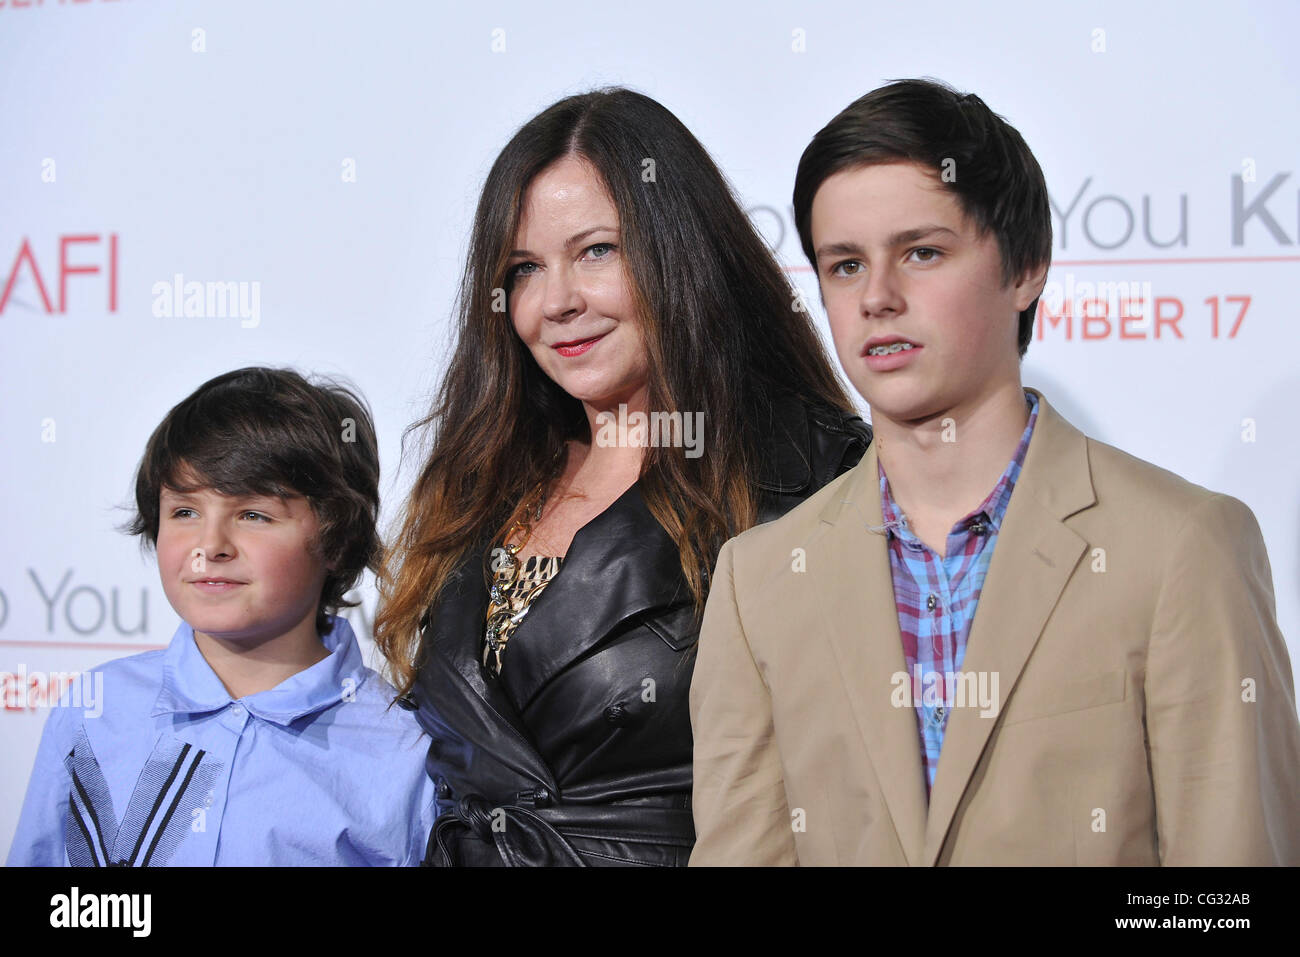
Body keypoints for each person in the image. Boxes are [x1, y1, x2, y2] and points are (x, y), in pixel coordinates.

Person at [689, 78, 1300, 865]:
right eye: (844, 265)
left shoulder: (1181, 546)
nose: (877, 296)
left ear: (1025, 269)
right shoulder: (759, 579)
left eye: (922, 252)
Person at [374, 87, 870, 867]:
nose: (558, 302)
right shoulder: (482, 480)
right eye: (526, 268)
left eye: (597, 251)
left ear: (679, 249)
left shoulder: (808, 474)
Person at [7, 367, 436, 866]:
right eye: (184, 512)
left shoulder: (404, 750)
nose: (208, 547)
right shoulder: (95, 710)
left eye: (253, 514)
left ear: (337, 541)